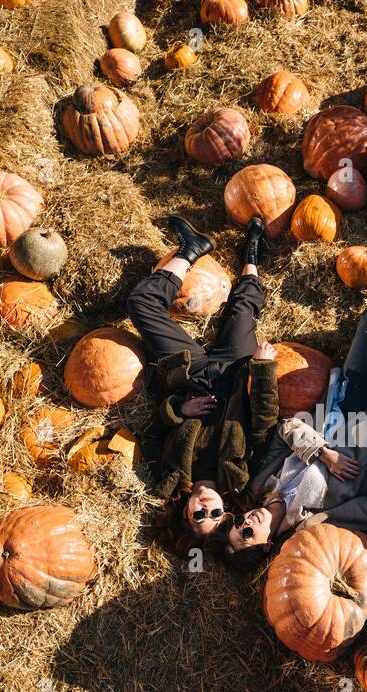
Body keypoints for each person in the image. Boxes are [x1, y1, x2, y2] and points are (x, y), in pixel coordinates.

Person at [220, 281, 367, 571]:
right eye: (246, 534)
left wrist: (323, 453)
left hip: (343, 404)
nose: (246, 521)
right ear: (267, 546)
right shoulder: (315, 525)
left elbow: (287, 427)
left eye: (238, 522)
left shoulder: (262, 482)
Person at [126, 215, 279, 556]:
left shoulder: (166, 475)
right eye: (216, 514)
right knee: (241, 311)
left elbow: (150, 429)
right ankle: (252, 255)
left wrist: (178, 409)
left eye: (199, 516)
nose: (207, 507)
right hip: (235, 374)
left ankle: (191, 250)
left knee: (140, 305)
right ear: (227, 510)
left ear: (185, 511)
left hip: (191, 375)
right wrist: (263, 370)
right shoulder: (242, 478)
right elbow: (265, 425)